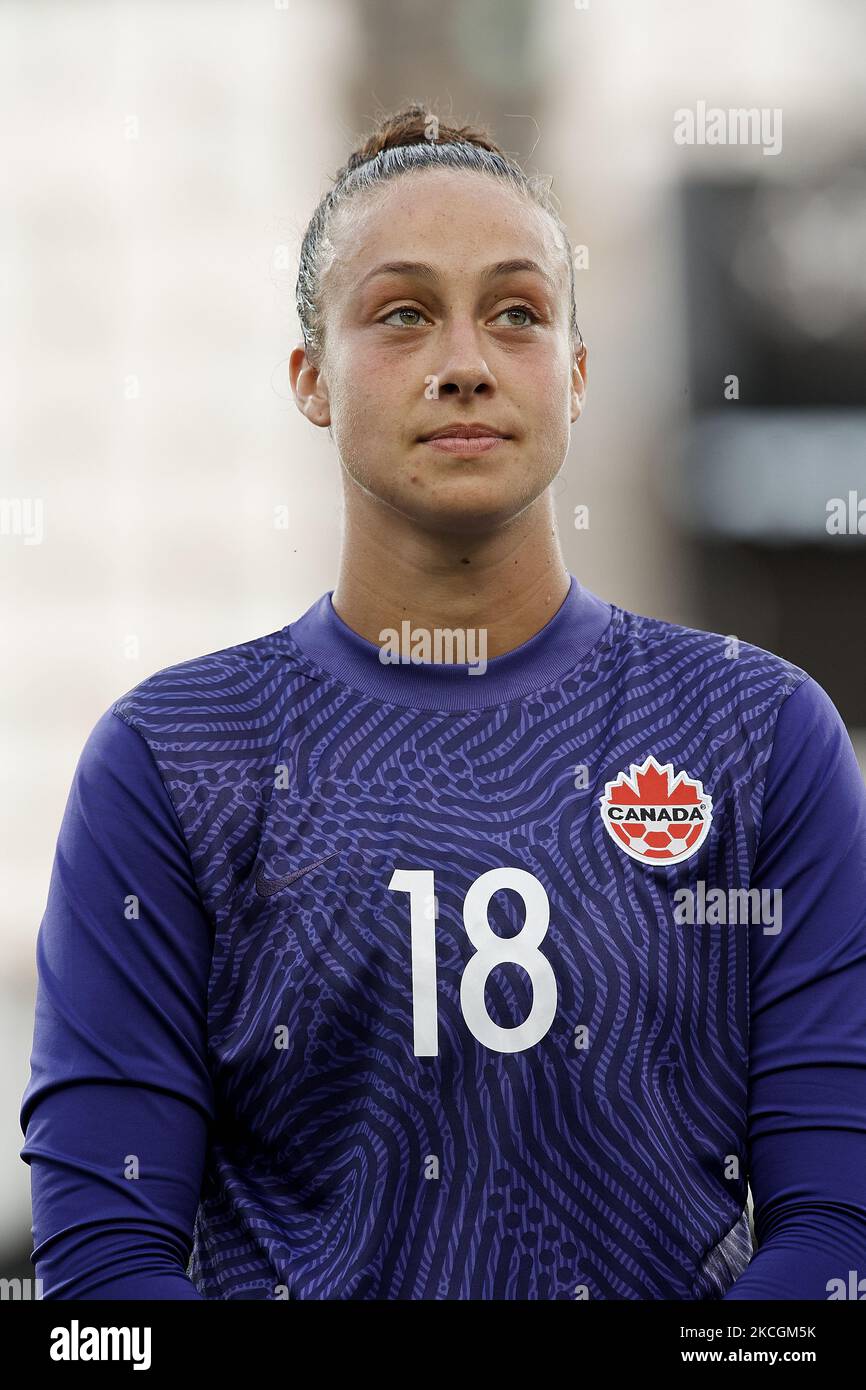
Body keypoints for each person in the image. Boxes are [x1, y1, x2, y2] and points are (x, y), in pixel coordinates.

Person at [19, 103, 866, 1301]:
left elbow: (836, 1239)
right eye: (403, 313)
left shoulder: (760, 734)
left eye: (516, 313)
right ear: (311, 378)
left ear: (573, 374)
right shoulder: (172, 758)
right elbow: (101, 1285)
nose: (464, 359)